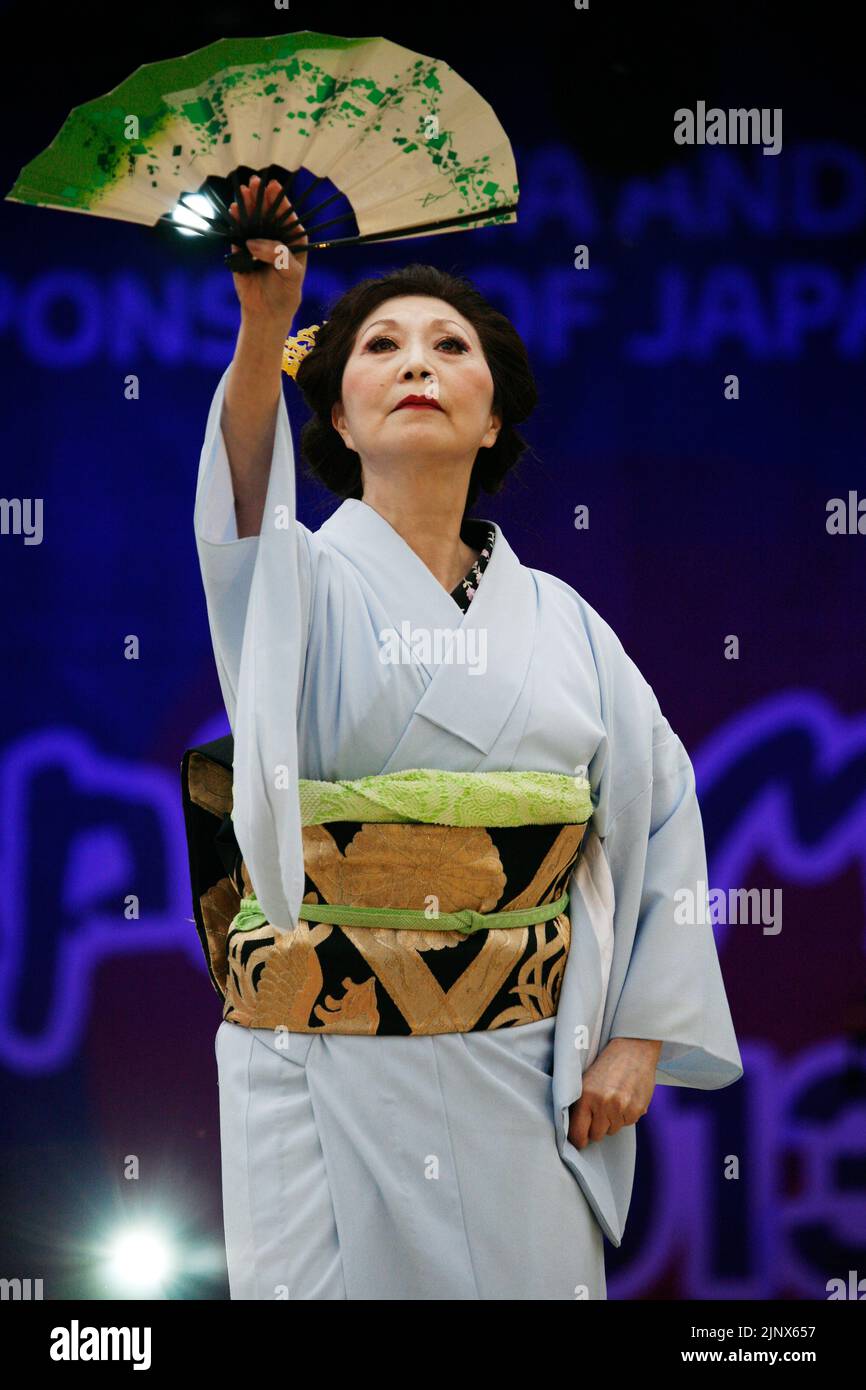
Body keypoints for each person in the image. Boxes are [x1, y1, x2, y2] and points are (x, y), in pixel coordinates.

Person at [189, 176, 743, 1301]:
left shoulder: (567, 626)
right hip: (319, 1061)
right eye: (379, 346)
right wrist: (262, 331)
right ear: (335, 417)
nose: (416, 363)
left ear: (492, 416)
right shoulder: (294, 580)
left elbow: (664, 812)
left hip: (521, 1063)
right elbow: (241, 506)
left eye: (449, 347)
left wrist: (639, 1032)